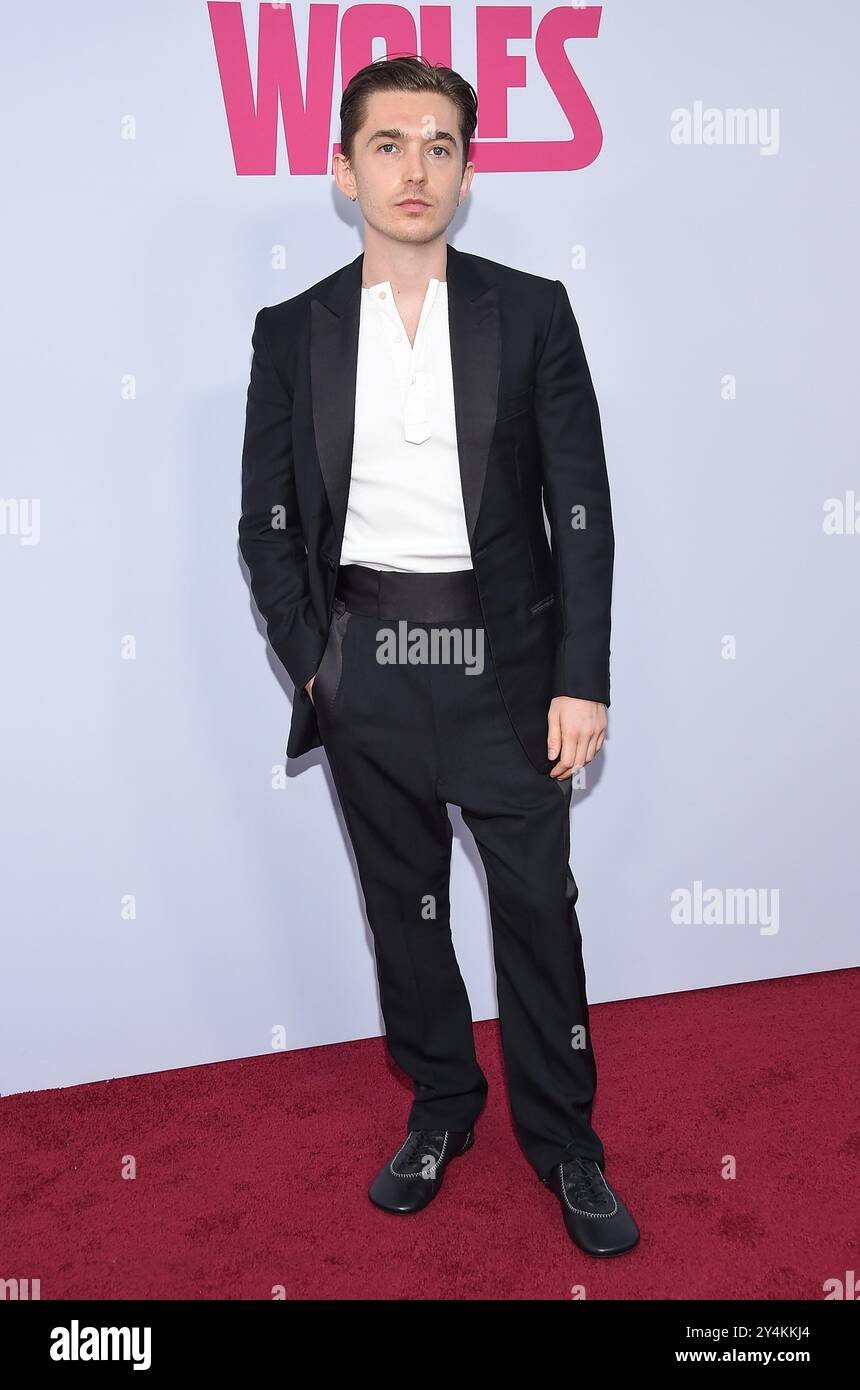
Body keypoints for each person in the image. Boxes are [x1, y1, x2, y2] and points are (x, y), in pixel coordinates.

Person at [238, 54, 638, 1257]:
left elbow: (582, 505)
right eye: (388, 144)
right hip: (367, 663)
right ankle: (439, 1108)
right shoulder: (289, 329)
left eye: (440, 145)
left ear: (466, 172)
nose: (414, 168)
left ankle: (567, 1148)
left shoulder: (530, 310)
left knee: (536, 914)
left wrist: (582, 673)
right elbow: (265, 524)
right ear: (340, 166)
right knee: (402, 914)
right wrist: (318, 666)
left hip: (507, 665)